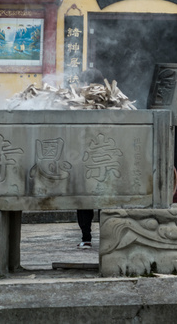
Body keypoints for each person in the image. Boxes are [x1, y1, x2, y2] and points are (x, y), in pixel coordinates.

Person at [75, 67, 104, 250]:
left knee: (85, 201)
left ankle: (86, 238)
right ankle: (105, 238)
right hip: (103, 157)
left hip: (86, 158)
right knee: (102, 200)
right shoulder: (77, 100)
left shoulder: (77, 100)